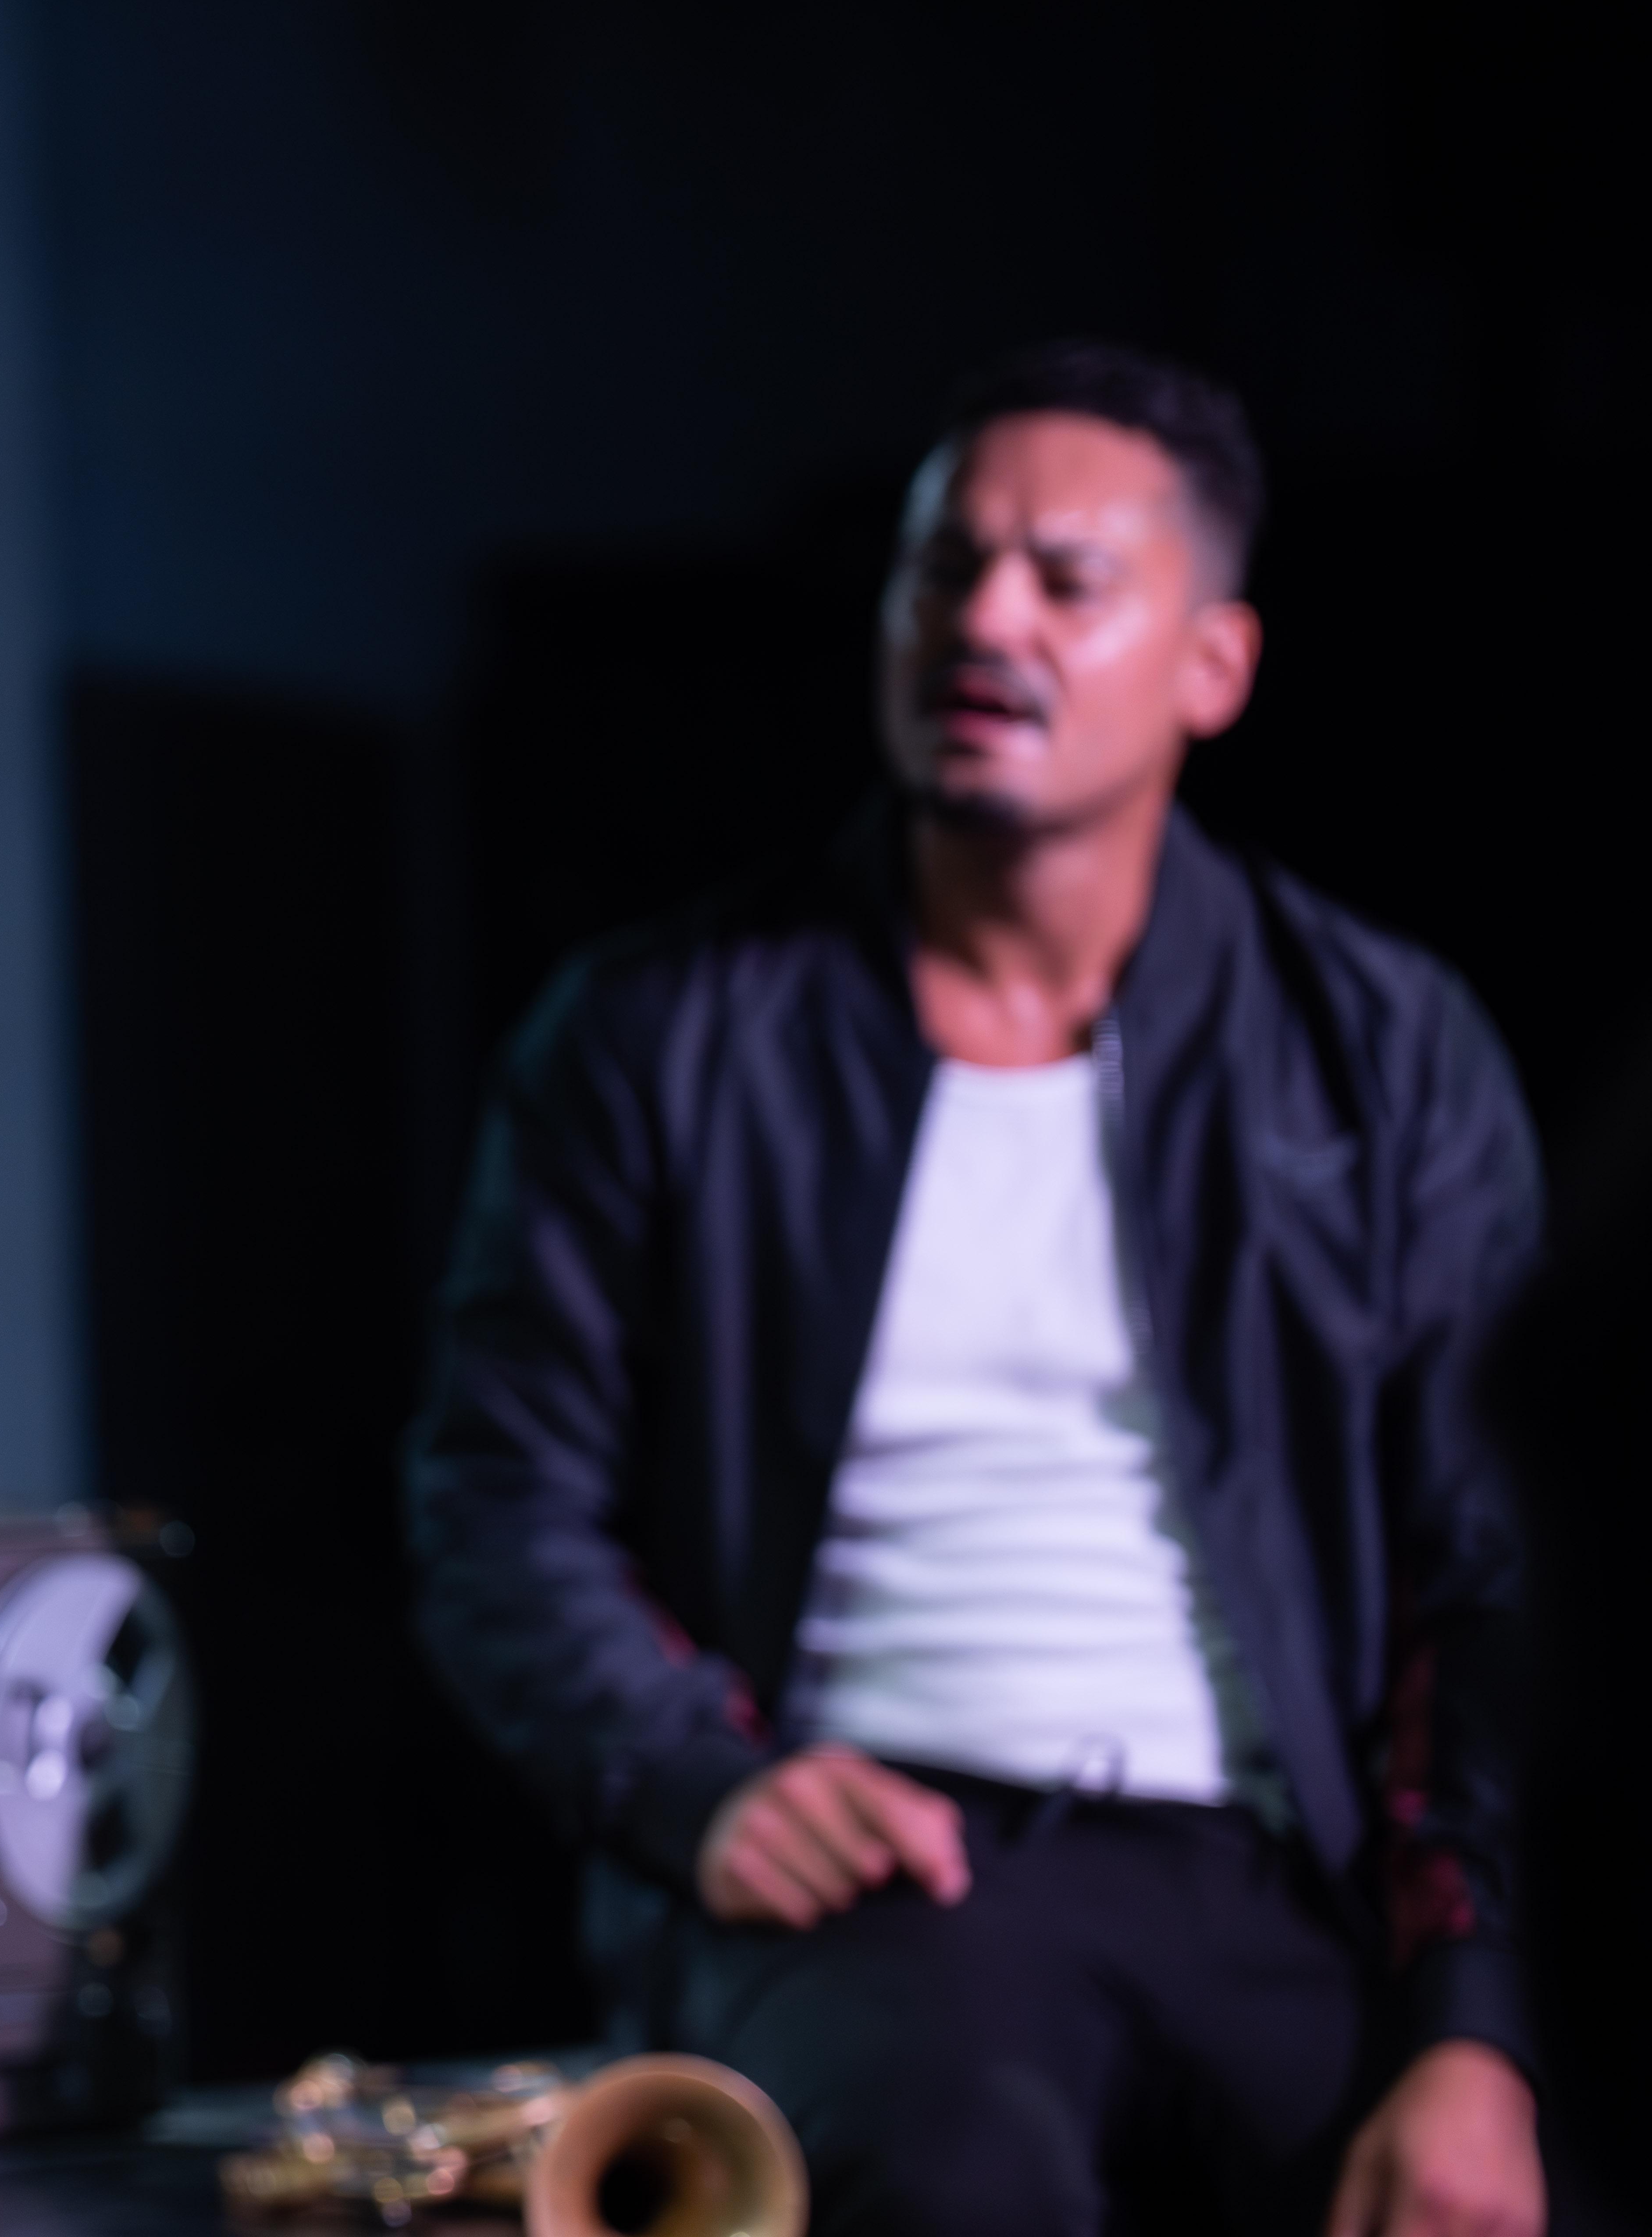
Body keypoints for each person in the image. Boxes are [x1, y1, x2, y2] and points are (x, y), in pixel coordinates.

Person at [410, 342, 1542, 2237]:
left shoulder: (1383, 1048)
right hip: (881, 1868)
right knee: (959, 2176)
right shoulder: (656, 1034)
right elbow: (493, 1497)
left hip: (1276, 1869)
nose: (984, 619)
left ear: (1214, 667)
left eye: (1066, 578)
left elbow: (1501, 1562)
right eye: (946, 569)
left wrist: (1482, 2023)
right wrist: (698, 1780)